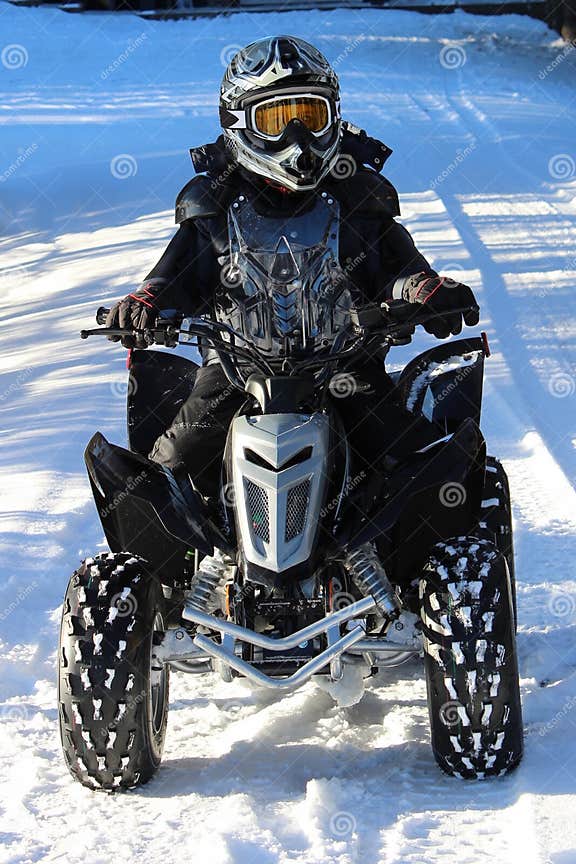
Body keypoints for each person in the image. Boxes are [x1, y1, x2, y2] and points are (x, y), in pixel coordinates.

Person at [106, 35, 479, 501]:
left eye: (311, 116)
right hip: (235, 372)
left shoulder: (359, 197)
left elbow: (398, 268)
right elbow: (173, 277)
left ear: (335, 116)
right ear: (240, 124)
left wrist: (425, 290)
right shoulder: (213, 204)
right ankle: (179, 569)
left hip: (344, 368)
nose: (298, 138)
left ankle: (416, 566)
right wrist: (144, 303)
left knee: (421, 474)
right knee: (169, 475)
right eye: (277, 119)